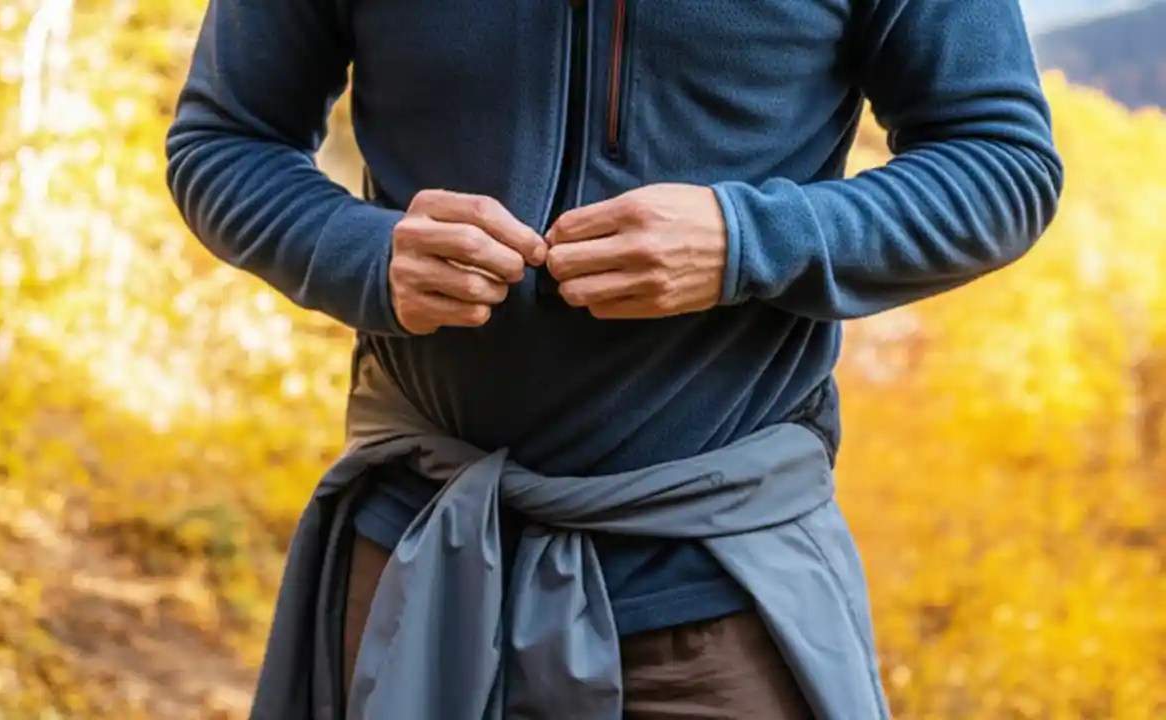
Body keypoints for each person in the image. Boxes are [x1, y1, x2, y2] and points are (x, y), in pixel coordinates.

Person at [166, 0, 1062, 717]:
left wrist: (746, 239)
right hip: (414, 567)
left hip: (717, 602)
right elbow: (224, 138)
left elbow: (1002, 164)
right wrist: (361, 250)